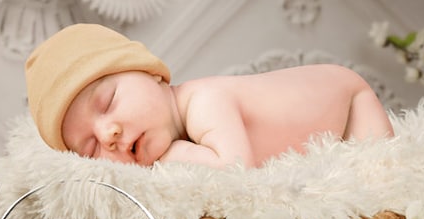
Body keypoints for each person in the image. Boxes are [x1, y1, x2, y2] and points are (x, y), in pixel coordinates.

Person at [26, 23, 394, 169]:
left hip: (349, 103)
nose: (108, 134)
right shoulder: (181, 126)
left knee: (378, 181)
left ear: (152, 73)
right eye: (91, 148)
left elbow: (234, 171)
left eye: (107, 103)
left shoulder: (205, 100)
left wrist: (168, 156)